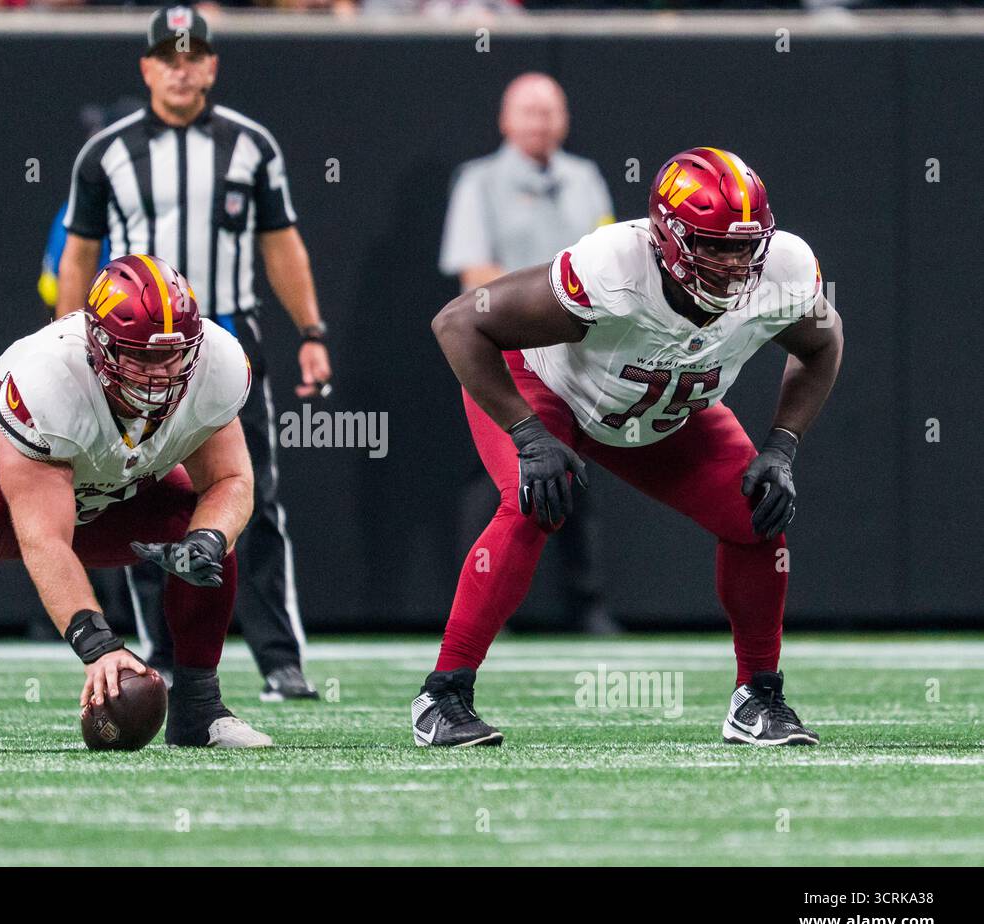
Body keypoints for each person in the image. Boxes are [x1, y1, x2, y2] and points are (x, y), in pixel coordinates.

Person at [413, 147, 843, 748]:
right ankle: (444, 695)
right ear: (666, 236)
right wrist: (529, 435)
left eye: (746, 245)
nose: (734, 262)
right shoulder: (613, 264)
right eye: (714, 245)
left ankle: (758, 699)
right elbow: (459, 322)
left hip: (657, 408)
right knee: (532, 504)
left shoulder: (785, 271)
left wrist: (783, 445)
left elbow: (823, 343)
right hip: (546, 385)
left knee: (756, 512)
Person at [0, 255, 272, 751]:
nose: (159, 374)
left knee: (202, 529)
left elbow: (231, 480)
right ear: (98, 345)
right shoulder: (49, 379)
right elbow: (43, 536)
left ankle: (199, 708)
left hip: (98, 491)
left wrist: (209, 537)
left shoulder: (218, 364)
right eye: (139, 357)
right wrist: (98, 647)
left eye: (172, 357)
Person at [56, 6, 330, 702]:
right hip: (134, 356)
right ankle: (166, 654)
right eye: (168, 58)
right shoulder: (107, 153)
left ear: (211, 65)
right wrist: (66, 342)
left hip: (229, 343)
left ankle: (278, 658)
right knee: (147, 501)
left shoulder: (251, 146)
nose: (181, 69)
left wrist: (311, 332)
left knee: (254, 498)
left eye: (194, 56)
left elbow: (282, 243)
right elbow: (79, 252)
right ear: (147, 67)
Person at [439, 72, 619, 634]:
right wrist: (550, 304)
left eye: (549, 111)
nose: (539, 122)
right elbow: (475, 276)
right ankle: (487, 604)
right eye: (528, 111)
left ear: (564, 119)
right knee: (495, 475)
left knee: (581, 471)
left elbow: (612, 258)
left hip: (578, 355)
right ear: (505, 119)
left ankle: (587, 602)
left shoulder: (585, 178)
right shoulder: (479, 182)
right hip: (506, 353)